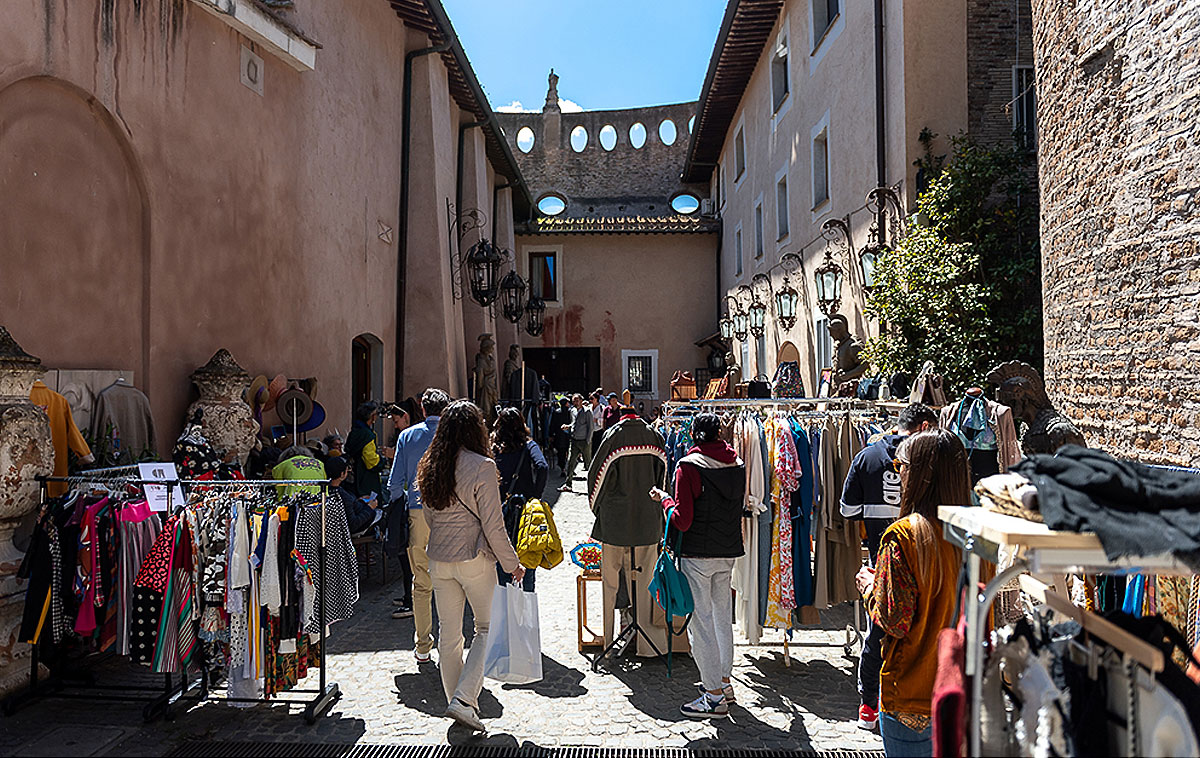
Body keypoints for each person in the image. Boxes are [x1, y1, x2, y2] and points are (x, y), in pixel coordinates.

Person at [856, 429, 968, 757]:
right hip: (962, 690)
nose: (898, 472)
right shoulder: (976, 533)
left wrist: (868, 587)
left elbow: (893, 620)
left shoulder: (903, 536)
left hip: (912, 695)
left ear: (919, 472)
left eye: (900, 465)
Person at [416, 400, 524, 734]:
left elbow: (430, 516)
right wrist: (512, 563)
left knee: (449, 635)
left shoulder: (431, 463)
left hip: (439, 557)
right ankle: (464, 699)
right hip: (473, 557)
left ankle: (460, 703)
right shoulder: (482, 466)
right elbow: (494, 525)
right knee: (487, 629)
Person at [840, 403, 938, 731]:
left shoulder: (867, 457)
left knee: (879, 631)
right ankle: (916, 705)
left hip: (882, 559)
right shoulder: (935, 459)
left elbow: (847, 508)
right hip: (930, 559)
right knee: (922, 632)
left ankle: (869, 705)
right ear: (924, 426)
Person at [650, 413, 746, 719]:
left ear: (694, 435)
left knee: (701, 623)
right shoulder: (737, 464)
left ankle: (713, 695)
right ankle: (725, 683)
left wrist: (665, 500)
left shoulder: (688, 467)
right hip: (727, 551)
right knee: (721, 619)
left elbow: (683, 519)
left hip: (698, 555)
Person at [388, 388, 450, 651]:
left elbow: (394, 483)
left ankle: (423, 644)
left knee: (422, 582)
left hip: (418, 512)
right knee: (450, 580)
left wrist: (395, 508)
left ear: (423, 409)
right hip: (450, 513)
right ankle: (450, 644)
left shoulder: (407, 436)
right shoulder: (453, 436)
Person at [491, 407, 548, 591]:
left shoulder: (494, 447)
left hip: (500, 507)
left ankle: (506, 599)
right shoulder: (528, 445)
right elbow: (542, 467)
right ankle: (527, 602)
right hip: (525, 509)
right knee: (527, 552)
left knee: (502, 553)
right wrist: (535, 495)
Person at [327, 456, 381, 537]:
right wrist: (370, 508)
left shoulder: (326, 491)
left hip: (354, 513)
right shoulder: (343, 496)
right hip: (353, 529)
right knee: (380, 513)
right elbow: (353, 524)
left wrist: (360, 501)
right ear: (342, 474)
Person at [345, 402, 385, 501]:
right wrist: (383, 460)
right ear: (372, 416)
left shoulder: (354, 431)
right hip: (366, 480)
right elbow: (371, 461)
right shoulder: (367, 435)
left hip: (354, 479)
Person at [559, 393, 594, 492]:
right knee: (571, 462)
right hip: (574, 440)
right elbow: (574, 423)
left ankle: (592, 485)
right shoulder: (572, 411)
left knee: (588, 464)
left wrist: (588, 440)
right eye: (574, 400)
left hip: (584, 441)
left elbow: (590, 427)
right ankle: (568, 484)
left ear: (581, 401)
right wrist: (568, 426)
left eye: (577, 400)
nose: (575, 402)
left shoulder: (587, 412)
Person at [549, 397, 572, 474]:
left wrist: (551, 434)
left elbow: (552, 424)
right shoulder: (569, 412)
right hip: (567, 435)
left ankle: (562, 467)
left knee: (560, 452)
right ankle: (566, 467)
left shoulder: (556, 412)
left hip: (559, 436)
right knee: (567, 451)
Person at [589, 391, 605, 461]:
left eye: (592, 398)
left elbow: (604, 420)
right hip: (590, 430)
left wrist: (597, 420)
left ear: (596, 399)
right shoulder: (589, 407)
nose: (590, 400)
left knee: (597, 447)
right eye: (590, 398)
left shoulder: (602, 408)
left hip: (598, 430)